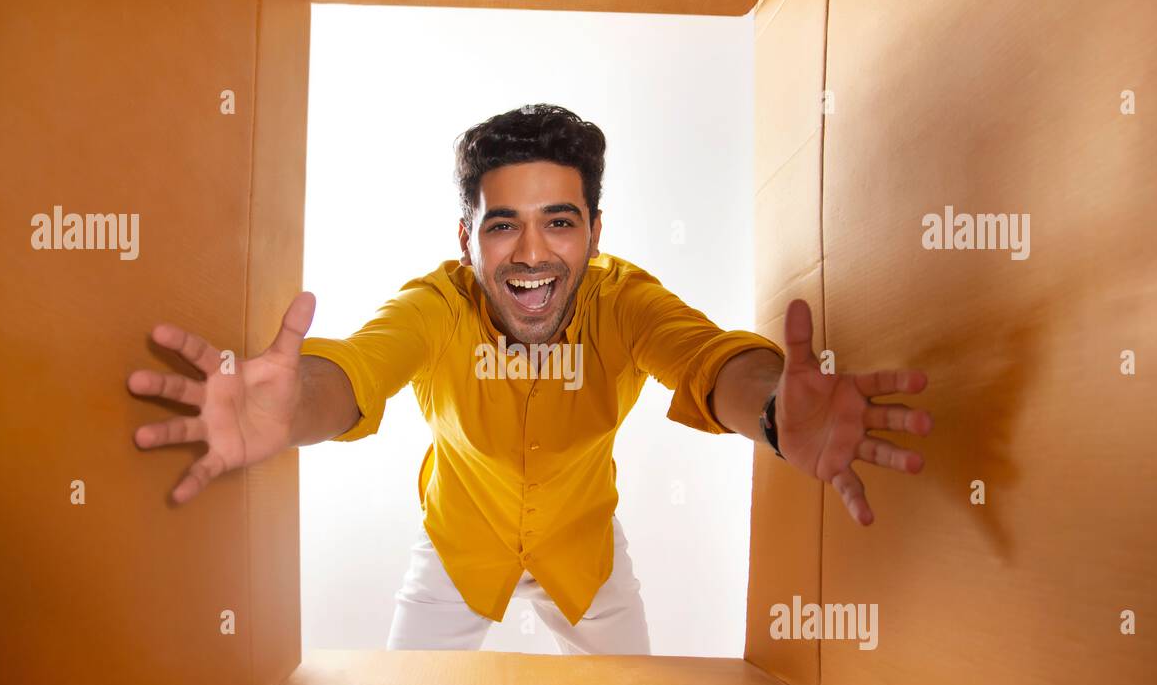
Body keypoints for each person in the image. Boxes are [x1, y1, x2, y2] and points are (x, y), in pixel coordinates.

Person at [126, 104, 932, 655]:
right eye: (503, 224)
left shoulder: (625, 300)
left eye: (560, 221)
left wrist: (769, 413)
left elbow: (707, 356)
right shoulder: (435, 305)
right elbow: (359, 367)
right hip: (455, 551)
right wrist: (291, 408)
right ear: (468, 237)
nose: (532, 254)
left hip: (588, 556)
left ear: (594, 232)